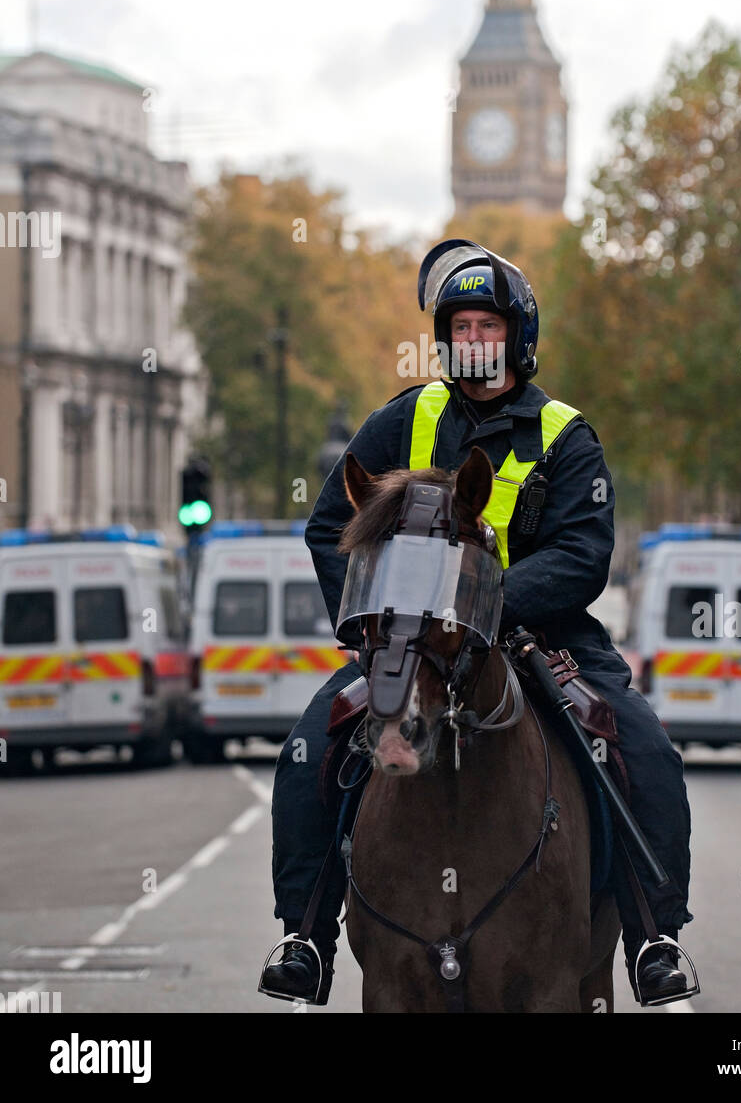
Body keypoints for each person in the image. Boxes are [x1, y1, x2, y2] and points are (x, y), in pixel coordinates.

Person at [261, 238, 695, 1008]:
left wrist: (486, 607)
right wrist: (368, 632)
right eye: (458, 329)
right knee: (307, 751)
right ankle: (305, 935)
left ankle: (653, 936)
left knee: (645, 748)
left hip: (541, 636)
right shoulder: (404, 417)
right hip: (410, 642)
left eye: (485, 328)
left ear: (517, 337)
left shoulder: (565, 435)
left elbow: (582, 554)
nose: (471, 343)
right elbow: (332, 522)